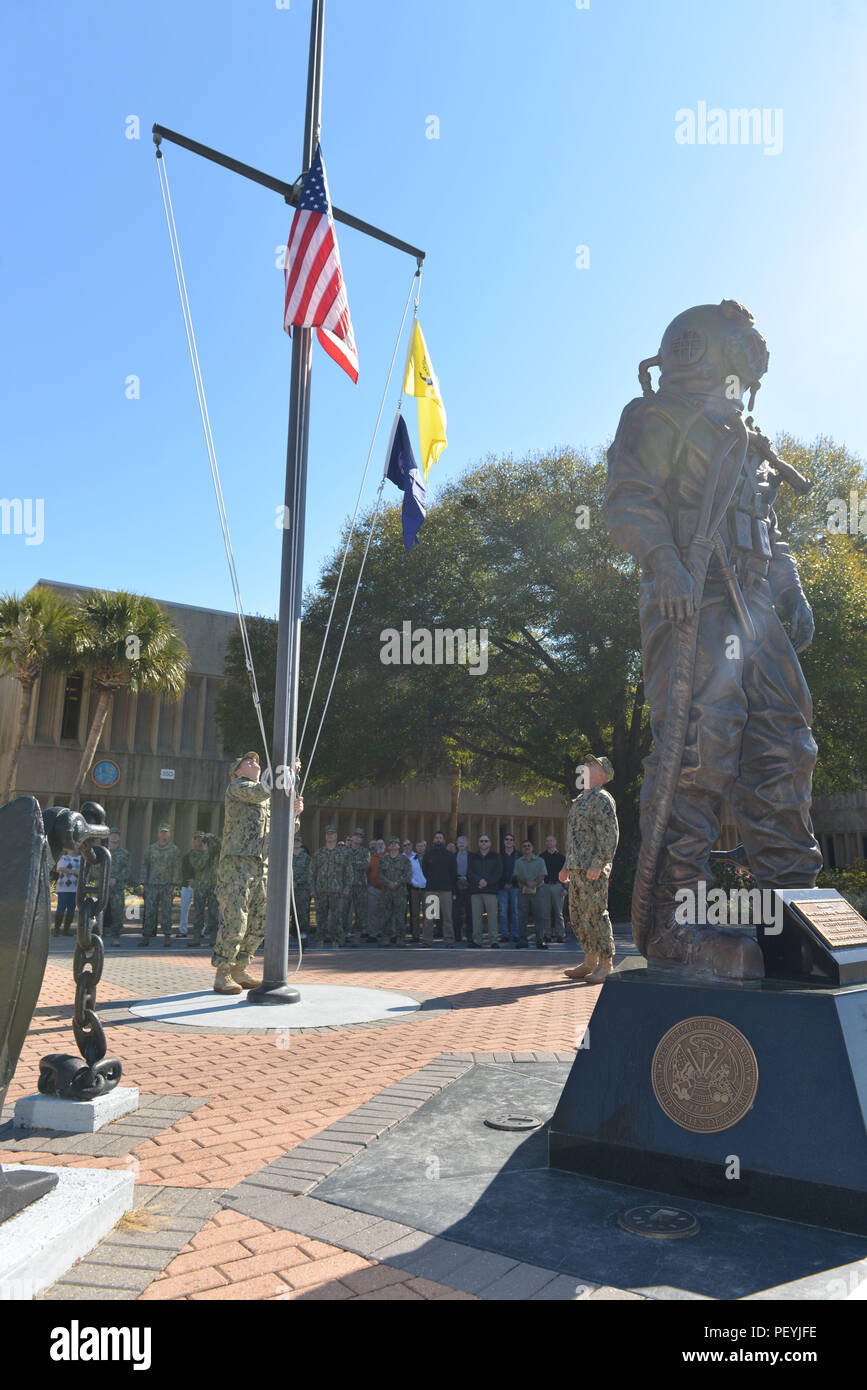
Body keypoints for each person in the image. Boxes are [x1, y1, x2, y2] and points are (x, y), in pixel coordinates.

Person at [605, 299, 820, 979]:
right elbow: (628, 499)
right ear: (700, 348)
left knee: (785, 741)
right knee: (700, 745)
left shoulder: (748, 434)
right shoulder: (656, 416)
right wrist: (662, 561)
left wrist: (789, 587)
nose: (750, 361)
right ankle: (675, 922)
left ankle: (793, 906)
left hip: (754, 601)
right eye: (738, 348)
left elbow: (766, 524)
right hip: (695, 596)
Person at [212, 751, 303, 992]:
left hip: (261, 864)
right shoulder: (238, 787)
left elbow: (284, 830)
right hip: (237, 863)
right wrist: (288, 770)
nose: (254, 763)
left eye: (256, 761)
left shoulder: (265, 798)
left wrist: (294, 814)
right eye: (248, 761)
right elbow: (263, 789)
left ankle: (239, 967)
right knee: (235, 918)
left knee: (261, 919)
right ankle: (222, 973)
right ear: (238, 771)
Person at [560, 756, 619, 983]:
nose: (587, 765)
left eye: (593, 764)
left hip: (592, 868)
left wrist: (599, 862)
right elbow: (574, 838)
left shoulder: (602, 799)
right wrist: (566, 866)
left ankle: (606, 964)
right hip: (577, 869)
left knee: (596, 914)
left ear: (603, 775)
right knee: (578, 915)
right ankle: (589, 960)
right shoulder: (580, 800)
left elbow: (609, 833)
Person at [310, 825, 353, 947]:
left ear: (336, 836)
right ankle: (320, 941)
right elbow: (312, 872)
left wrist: (346, 889)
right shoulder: (319, 853)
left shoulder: (343, 854)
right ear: (325, 836)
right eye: (328, 833)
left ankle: (336, 942)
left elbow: (349, 873)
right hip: (321, 891)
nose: (330, 835)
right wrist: (312, 889)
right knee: (320, 918)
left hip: (337, 891)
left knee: (337, 918)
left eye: (332, 833)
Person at [140, 824, 181, 949]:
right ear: (158, 834)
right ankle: (146, 937)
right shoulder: (151, 848)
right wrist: (144, 883)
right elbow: (145, 865)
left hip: (166, 885)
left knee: (167, 912)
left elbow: (177, 867)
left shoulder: (174, 849)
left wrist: (173, 884)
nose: (164, 834)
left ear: (169, 834)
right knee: (149, 912)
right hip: (152, 885)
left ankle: (167, 937)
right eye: (162, 832)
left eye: (166, 832)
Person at [420, 831, 457, 947]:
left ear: (444, 840)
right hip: (431, 889)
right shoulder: (428, 855)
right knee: (429, 918)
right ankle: (427, 941)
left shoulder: (450, 855)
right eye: (436, 838)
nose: (438, 840)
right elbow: (424, 872)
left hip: (446, 890)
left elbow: (453, 873)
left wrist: (448, 883)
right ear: (433, 840)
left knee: (447, 918)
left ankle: (449, 941)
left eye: (440, 838)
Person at [468, 834, 502, 947]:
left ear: (490, 843)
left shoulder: (496, 856)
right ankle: (477, 940)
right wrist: (479, 881)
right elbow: (469, 872)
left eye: (486, 841)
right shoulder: (472, 857)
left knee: (492, 917)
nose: (483, 843)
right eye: (481, 841)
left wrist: (486, 882)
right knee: (476, 918)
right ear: (478, 843)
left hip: (491, 890)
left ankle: (494, 941)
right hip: (476, 890)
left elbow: (498, 873)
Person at [513, 840, 548, 949]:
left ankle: (540, 940)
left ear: (532, 848)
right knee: (522, 916)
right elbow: (517, 876)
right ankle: (523, 940)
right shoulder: (518, 862)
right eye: (524, 846)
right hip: (523, 891)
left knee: (539, 916)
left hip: (538, 891)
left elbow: (542, 875)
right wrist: (527, 884)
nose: (527, 847)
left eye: (529, 845)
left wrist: (533, 884)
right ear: (522, 849)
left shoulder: (540, 861)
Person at [377, 837, 411, 947]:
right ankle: (386, 938)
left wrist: (397, 883)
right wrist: (388, 883)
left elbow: (408, 875)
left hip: (400, 892)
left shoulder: (405, 860)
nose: (393, 845)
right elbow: (380, 875)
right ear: (388, 846)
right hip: (386, 893)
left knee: (400, 917)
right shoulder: (383, 860)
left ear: (399, 846)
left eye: (395, 843)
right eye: (391, 843)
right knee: (386, 916)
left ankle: (400, 938)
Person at [189, 832, 220, 947]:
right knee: (198, 913)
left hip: (213, 886)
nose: (200, 842)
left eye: (202, 840)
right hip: (201, 887)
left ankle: (213, 938)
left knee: (214, 913)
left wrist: (214, 837)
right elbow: (199, 865)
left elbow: (221, 845)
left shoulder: (214, 852)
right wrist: (206, 852)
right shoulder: (194, 854)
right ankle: (196, 938)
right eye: (197, 840)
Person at [345, 829, 370, 945]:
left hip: (360, 886)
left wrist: (352, 864)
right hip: (347, 886)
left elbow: (366, 865)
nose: (358, 838)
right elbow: (343, 865)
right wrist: (357, 863)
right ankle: (343, 936)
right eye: (356, 836)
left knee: (360, 914)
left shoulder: (365, 852)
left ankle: (356, 937)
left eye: (360, 837)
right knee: (344, 912)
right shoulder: (345, 851)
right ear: (352, 838)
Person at [106, 828, 131, 946]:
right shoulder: (103, 852)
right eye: (112, 835)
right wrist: (107, 878)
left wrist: (116, 878)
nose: (114, 837)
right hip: (103, 888)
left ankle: (115, 937)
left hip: (118, 888)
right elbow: (95, 869)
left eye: (116, 835)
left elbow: (127, 871)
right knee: (97, 912)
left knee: (118, 913)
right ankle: (95, 934)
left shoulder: (124, 853)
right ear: (108, 836)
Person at [541, 834, 567, 943]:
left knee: (558, 912)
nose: (549, 843)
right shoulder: (541, 857)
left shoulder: (561, 857)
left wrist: (565, 887)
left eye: (551, 840)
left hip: (558, 886)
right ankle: (547, 934)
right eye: (547, 841)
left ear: (555, 842)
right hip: (545, 886)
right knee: (546, 912)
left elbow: (566, 874)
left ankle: (560, 934)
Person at [180, 833, 204, 940]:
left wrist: (197, 881)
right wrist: (189, 880)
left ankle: (200, 930)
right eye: (195, 840)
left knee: (199, 909)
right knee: (184, 909)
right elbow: (183, 870)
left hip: (199, 886)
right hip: (186, 886)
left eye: (199, 840)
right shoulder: (186, 857)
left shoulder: (205, 856)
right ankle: (183, 930)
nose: (197, 842)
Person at [497, 833, 520, 944]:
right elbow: (496, 872)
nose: (509, 841)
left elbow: (521, 871)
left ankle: (515, 934)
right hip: (502, 888)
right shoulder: (499, 856)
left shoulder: (519, 855)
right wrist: (503, 884)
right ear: (504, 841)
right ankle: (505, 935)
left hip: (515, 887)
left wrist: (513, 883)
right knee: (503, 912)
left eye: (511, 839)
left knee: (515, 911)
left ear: (514, 842)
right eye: (506, 839)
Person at [53, 850, 81, 936]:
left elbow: (83, 871)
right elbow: (60, 868)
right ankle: (57, 929)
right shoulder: (64, 858)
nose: (73, 849)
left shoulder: (81, 859)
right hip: (63, 888)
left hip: (75, 888)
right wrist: (74, 872)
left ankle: (66, 930)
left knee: (71, 909)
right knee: (61, 908)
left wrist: (69, 870)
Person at [292, 834, 312, 942]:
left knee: (302, 913)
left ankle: (303, 937)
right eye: (294, 841)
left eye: (298, 841)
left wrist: (297, 882)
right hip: (288, 890)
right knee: (287, 913)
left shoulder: (306, 857)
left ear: (301, 843)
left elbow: (308, 873)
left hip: (302, 889)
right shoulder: (287, 856)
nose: (296, 843)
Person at [406, 840, 427, 942]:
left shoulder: (430, 859)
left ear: (425, 847)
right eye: (418, 846)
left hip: (428, 890)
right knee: (414, 914)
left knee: (430, 914)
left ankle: (428, 936)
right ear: (415, 848)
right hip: (414, 889)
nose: (420, 848)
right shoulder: (411, 860)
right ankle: (416, 935)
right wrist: (414, 883)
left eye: (422, 846)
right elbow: (408, 874)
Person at [453, 835, 471, 944]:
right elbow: (450, 871)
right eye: (459, 841)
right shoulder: (453, 856)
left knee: (470, 913)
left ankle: (470, 935)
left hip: (469, 888)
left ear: (467, 844)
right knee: (456, 914)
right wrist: (458, 878)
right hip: (457, 888)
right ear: (456, 844)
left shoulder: (472, 856)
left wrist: (467, 878)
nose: (461, 843)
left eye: (464, 841)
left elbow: (474, 870)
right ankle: (457, 936)